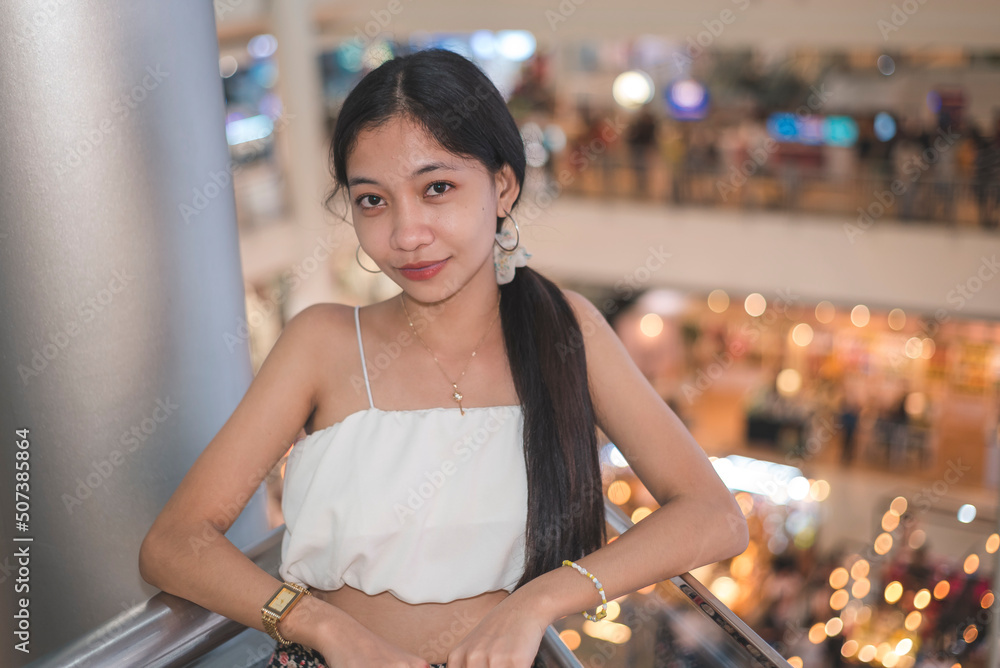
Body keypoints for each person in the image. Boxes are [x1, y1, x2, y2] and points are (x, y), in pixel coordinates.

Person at [138, 48, 748, 668]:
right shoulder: (321, 343)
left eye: (437, 189)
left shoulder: (566, 332)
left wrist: (538, 601)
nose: (407, 234)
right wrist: (322, 626)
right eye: (373, 200)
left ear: (503, 186)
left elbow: (715, 517)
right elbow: (174, 543)